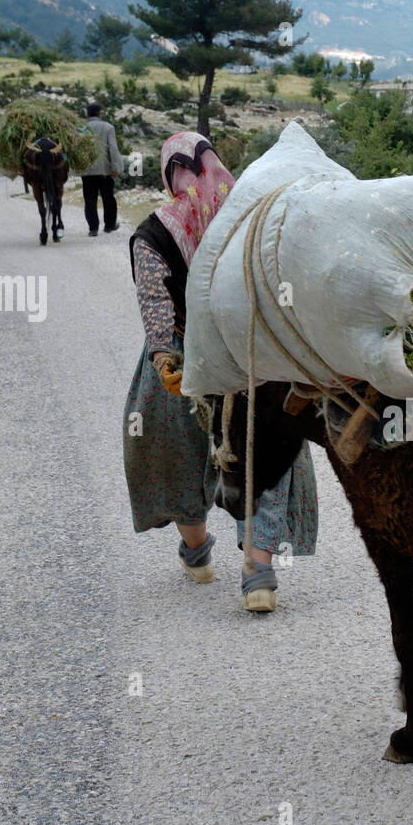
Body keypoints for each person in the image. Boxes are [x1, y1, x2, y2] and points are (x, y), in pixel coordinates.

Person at [122, 131, 317, 612]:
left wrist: (165, 356)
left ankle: (197, 551)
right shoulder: (248, 211)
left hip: (189, 356)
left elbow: (155, 300)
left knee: (171, 446)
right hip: (254, 351)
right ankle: (260, 572)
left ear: (170, 177)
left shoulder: (153, 233)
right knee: (263, 449)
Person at [82, 103, 124, 236]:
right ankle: (109, 226)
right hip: (105, 171)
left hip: (87, 171)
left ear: (87, 114)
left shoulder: (81, 129)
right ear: (99, 114)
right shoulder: (108, 127)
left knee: (89, 199)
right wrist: (116, 167)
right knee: (108, 198)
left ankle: (93, 229)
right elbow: (113, 148)